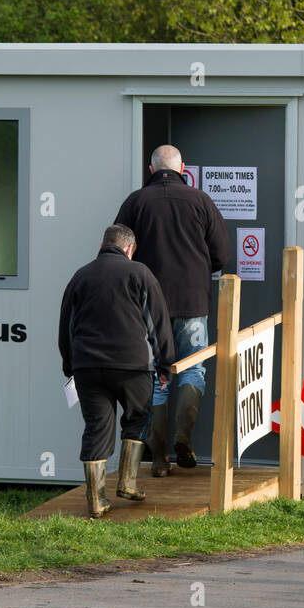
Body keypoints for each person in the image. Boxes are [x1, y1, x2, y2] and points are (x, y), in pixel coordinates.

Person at [114, 144, 229, 476]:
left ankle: (160, 458)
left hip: (148, 306)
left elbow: (118, 251)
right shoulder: (200, 201)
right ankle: (183, 436)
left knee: (155, 375)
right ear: (182, 169)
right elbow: (222, 253)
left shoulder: (135, 202)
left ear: (152, 170)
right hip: (193, 302)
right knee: (194, 369)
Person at [59, 224, 174, 518]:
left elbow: (66, 327)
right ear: (129, 249)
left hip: (87, 366)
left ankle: (95, 500)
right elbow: (157, 324)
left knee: (97, 427)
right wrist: (164, 363)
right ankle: (128, 483)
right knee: (138, 417)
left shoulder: (80, 277)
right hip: (131, 366)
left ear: (102, 246)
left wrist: (70, 364)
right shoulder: (140, 274)